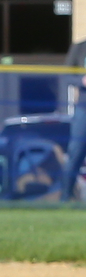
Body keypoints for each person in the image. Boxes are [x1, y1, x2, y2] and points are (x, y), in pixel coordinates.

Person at [62, 35, 86, 200]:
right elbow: (66, 76)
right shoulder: (79, 47)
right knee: (76, 152)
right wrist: (82, 81)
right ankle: (65, 198)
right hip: (84, 109)